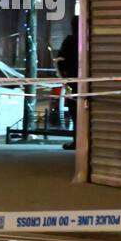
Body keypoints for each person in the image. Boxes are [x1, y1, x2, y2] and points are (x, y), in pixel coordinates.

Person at [55, 17, 79, 151]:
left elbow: (60, 61)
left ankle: (77, 140)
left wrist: (63, 77)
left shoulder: (70, 41)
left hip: (72, 82)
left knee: (75, 112)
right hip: (78, 82)